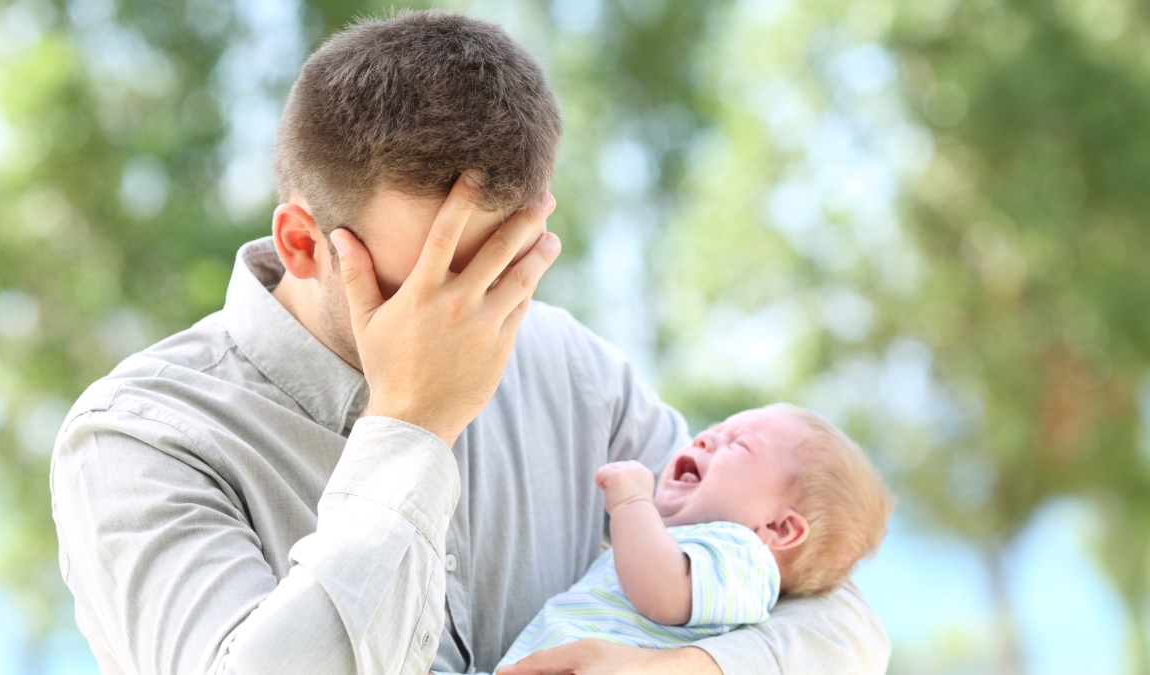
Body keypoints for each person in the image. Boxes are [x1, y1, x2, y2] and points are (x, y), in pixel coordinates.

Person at [50, 10, 890, 675]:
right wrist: (410, 429)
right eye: (441, 273)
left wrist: (691, 666)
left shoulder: (572, 370)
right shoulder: (140, 438)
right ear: (305, 243)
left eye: (511, 264)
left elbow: (834, 613)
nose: (481, 309)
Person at [490, 404, 894, 672]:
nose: (702, 439)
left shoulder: (745, 558)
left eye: (737, 444)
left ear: (779, 529)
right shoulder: (696, 544)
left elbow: (663, 592)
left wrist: (632, 503)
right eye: (712, 431)